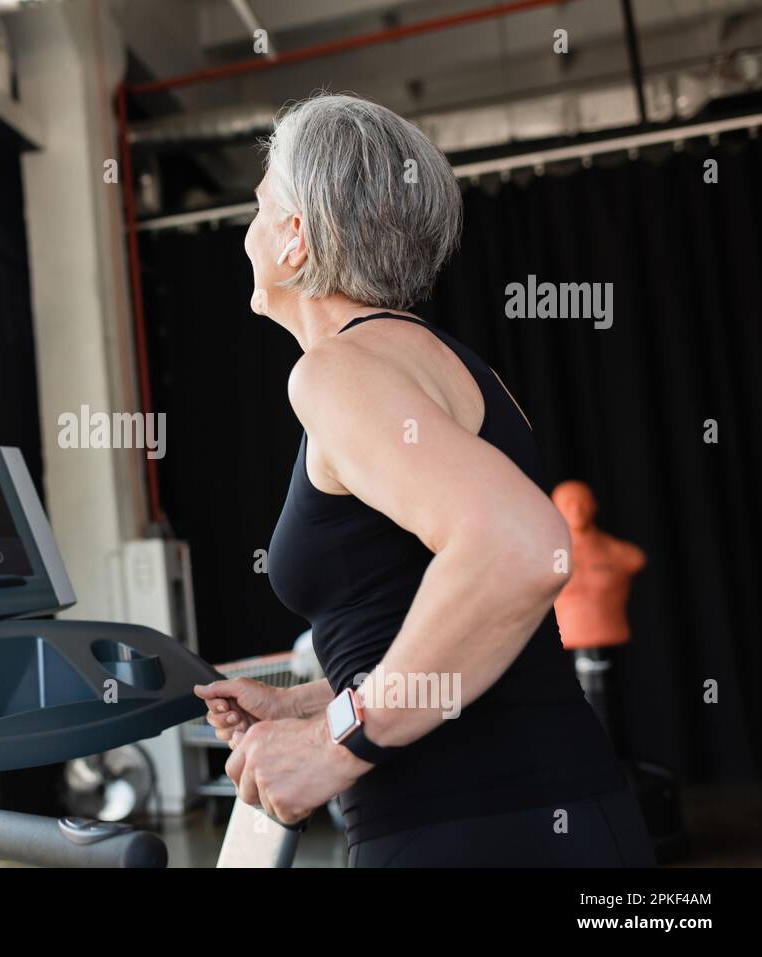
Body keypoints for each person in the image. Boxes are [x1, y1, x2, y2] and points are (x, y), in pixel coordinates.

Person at [193, 92, 655, 867]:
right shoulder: (446, 365)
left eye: (259, 205)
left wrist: (336, 745)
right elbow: (440, 627)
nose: (248, 232)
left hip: (473, 829)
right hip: (561, 809)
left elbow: (518, 547)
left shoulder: (336, 371)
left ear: (296, 237)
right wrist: (312, 701)